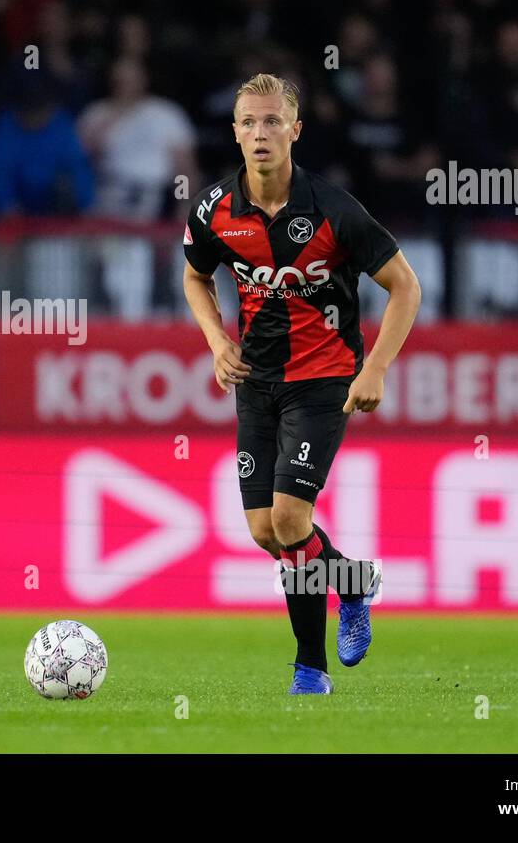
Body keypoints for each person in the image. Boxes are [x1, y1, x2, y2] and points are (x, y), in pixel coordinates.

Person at [182, 74, 421, 694]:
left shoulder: (335, 210)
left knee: (291, 520)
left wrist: (377, 367)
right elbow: (194, 278)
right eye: (248, 123)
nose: (260, 133)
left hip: (324, 379)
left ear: (295, 130)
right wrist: (215, 339)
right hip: (255, 382)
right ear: (234, 132)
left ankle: (309, 670)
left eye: (271, 122)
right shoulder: (213, 211)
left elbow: (406, 287)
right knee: (264, 530)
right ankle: (354, 581)